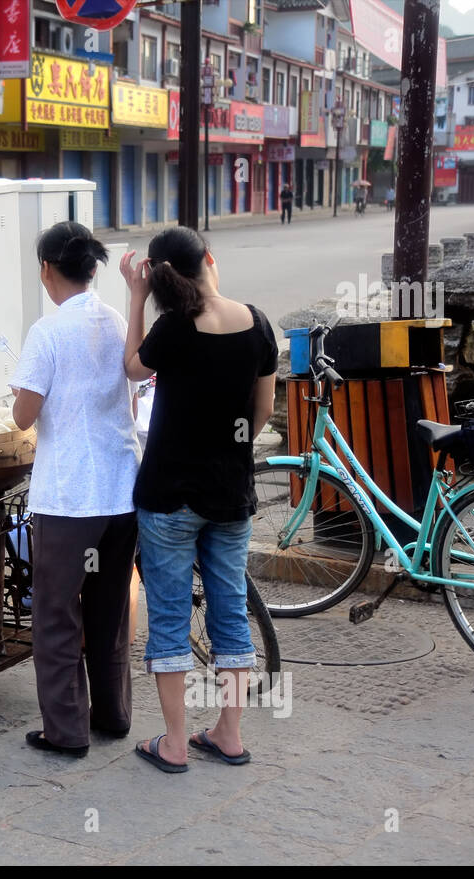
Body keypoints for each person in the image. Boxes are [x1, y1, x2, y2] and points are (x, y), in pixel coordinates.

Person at [119, 226, 277, 773]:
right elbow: (261, 412)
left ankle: (176, 743)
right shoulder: (257, 325)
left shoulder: (172, 329)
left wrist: (135, 297)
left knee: (167, 616)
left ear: (159, 279)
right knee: (230, 612)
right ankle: (228, 735)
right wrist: (226, 449)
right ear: (210, 258)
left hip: (168, 496)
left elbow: (133, 368)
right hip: (230, 493)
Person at [9, 221, 141, 759]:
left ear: (46, 269)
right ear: (92, 268)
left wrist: (17, 392)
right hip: (121, 490)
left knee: (57, 614)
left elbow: (22, 416)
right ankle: (112, 716)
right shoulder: (115, 321)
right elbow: (130, 399)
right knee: (109, 609)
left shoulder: (48, 332)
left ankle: (65, 731)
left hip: (70, 498)